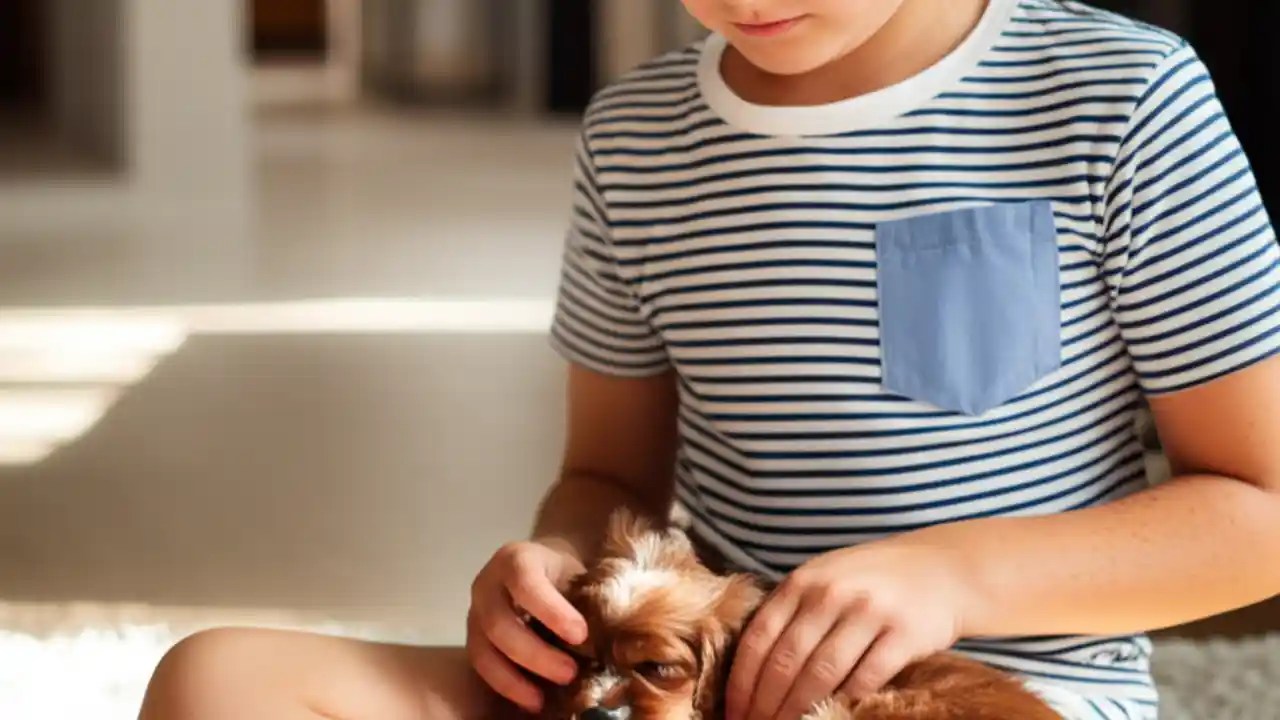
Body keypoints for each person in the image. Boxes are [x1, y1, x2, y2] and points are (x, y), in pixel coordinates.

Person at [139, 1, 1280, 718]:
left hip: (1000, 697)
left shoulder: (1119, 97)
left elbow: (1257, 510)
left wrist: (950, 578)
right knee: (219, 682)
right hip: (682, 685)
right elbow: (606, 484)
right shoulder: (636, 140)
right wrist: (548, 569)